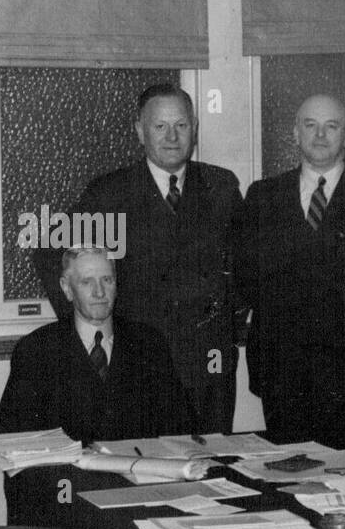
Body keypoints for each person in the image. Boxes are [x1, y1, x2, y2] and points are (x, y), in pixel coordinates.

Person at [44, 84, 244, 433]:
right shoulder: (108, 194)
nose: (171, 136)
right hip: (137, 370)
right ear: (139, 130)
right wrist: (89, 321)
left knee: (212, 473)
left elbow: (248, 265)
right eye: (159, 126)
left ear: (194, 127)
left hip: (208, 371)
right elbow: (51, 255)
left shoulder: (221, 186)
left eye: (181, 126)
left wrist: (232, 321)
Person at [237, 93, 345, 447]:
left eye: (331, 126)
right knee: (289, 476)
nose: (320, 135)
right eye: (310, 125)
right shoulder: (263, 196)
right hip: (284, 374)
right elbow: (246, 277)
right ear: (295, 134)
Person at [0, 247, 192, 443]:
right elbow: (14, 440)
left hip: (144, 470)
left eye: (107, 280)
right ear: (67, 288)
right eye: (86, 282)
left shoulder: (150, 344)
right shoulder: (35, 350)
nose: (99, 292)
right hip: (69, 473)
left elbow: (178, 428)